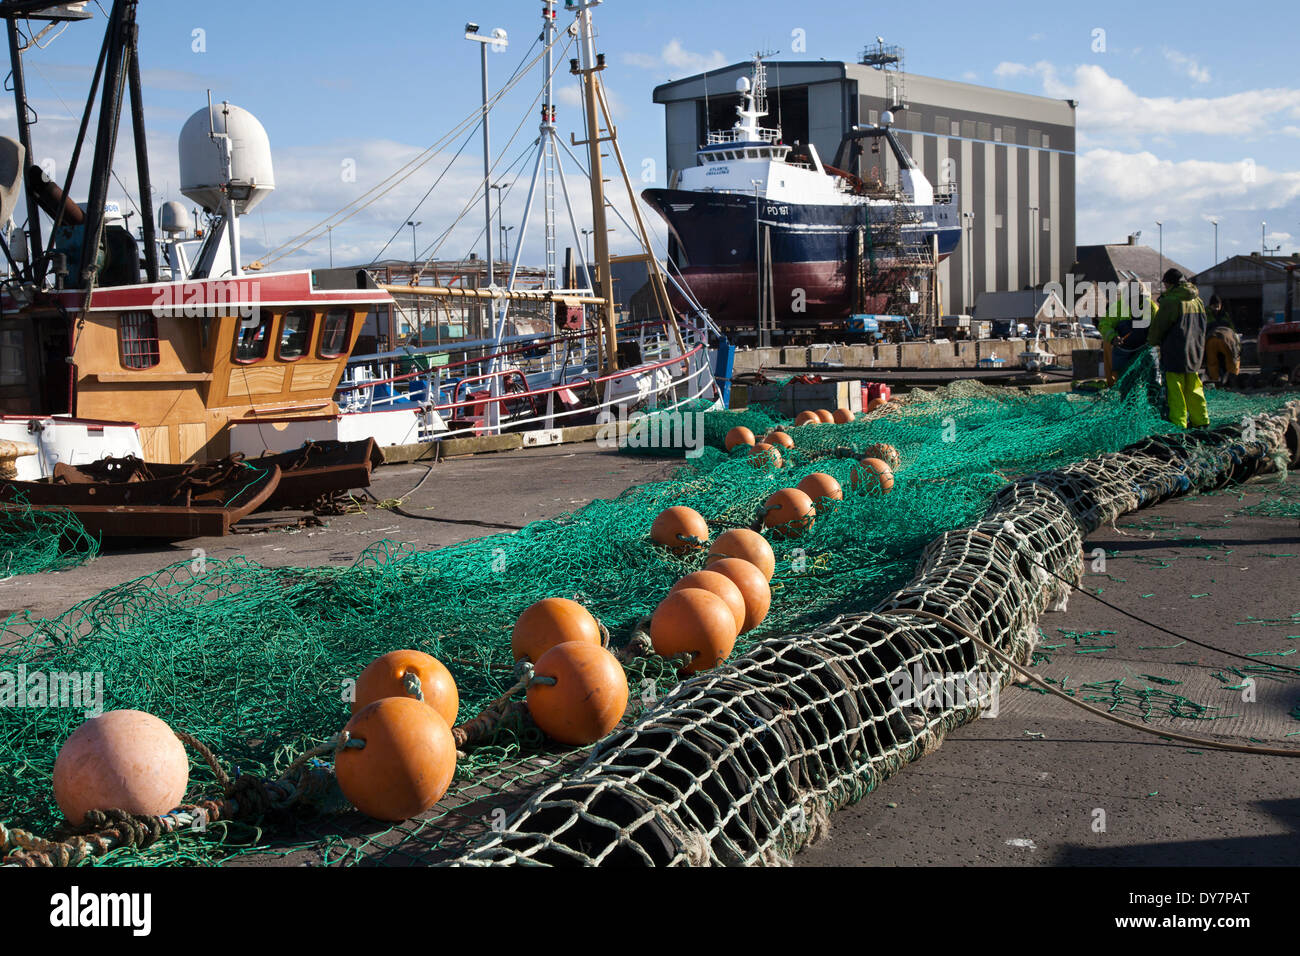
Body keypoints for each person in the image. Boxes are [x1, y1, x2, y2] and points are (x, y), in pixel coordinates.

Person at [1147, 268, 1209, 428]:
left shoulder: (1172, 302)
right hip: (1195, 351)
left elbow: (1158, 328)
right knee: (1195, 388)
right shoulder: (1198, 300)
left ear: (1170, 284)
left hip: (1174, 352)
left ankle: (1178, 424)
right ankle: (1201, 420)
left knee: (1176, 391)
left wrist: (1151, 341)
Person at [1097, 285, 1150, 385]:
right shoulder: (1117, 307)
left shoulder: (1151, 307)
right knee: (1123, 383)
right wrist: (1113, 338)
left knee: (1145, 382)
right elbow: (1104, 325)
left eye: (1140, 297)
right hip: (1122, 352)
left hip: (1143, 352)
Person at [1204, 294, 1241, 384]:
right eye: (1215, 306)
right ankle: (1233, 378)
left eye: (1218, 306)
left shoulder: (1206, 314)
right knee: (1232, 359)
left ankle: (1214, 380)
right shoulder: (1224, 315)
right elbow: (1233, 331)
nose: (1216, 308)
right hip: (1225, 340)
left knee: (1212, 362)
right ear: (1210, 305)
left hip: (1212, 340)